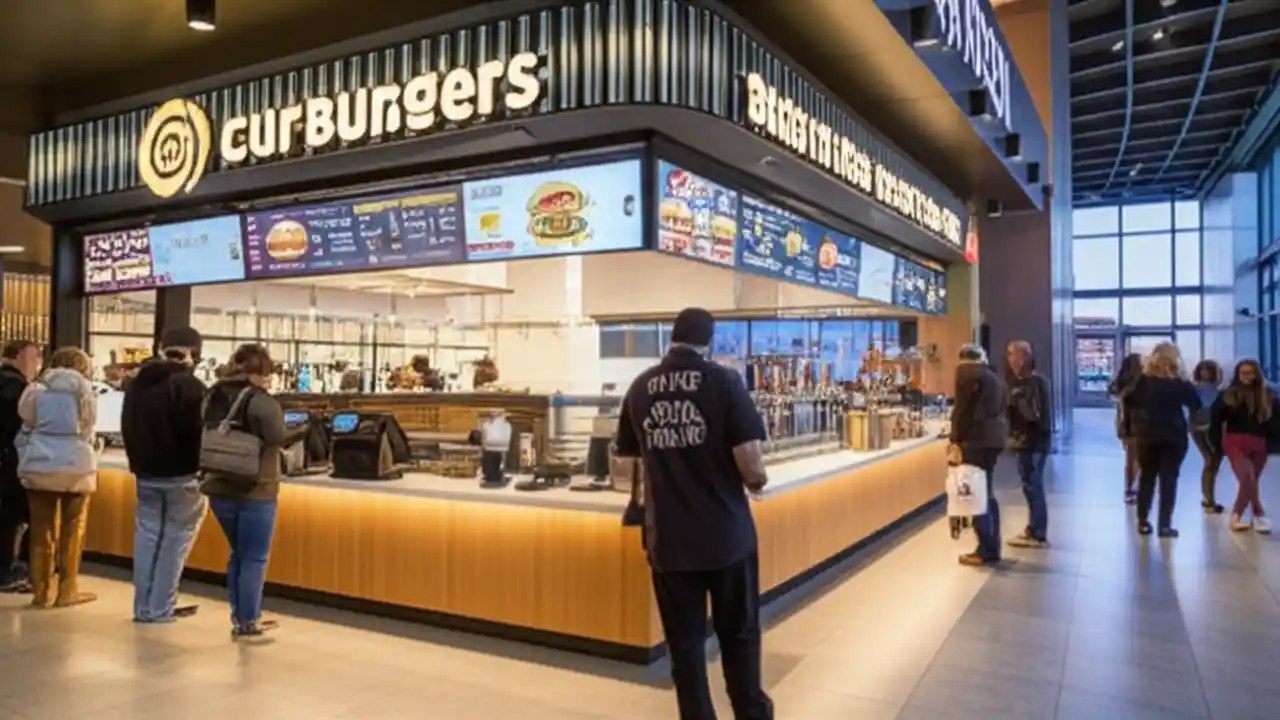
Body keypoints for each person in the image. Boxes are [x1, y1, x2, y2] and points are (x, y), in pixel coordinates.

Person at [614, 307, 773, 720]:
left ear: (672, 337)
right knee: (739, 636)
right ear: (710, 341)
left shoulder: (641, 387)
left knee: (684, 646)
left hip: (669, 540)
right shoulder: (724, 381)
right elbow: (749, 458)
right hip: (726, 536)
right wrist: (756, 483)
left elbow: (626, 470)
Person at [199, 344, 287, 637]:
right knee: (254, 557)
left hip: (218, 486)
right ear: (259, 371)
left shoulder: (212, 395)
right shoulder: (262, 402)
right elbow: (277, 437)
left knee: (239, 554)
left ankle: (241, 615)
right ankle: (248, 620)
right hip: (255, 488)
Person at [123, 326, 208, 623]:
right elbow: (197, 432)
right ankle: (161, 607)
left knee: (146, 539)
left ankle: (143, 607)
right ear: (191, 353)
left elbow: (128, 427)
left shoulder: (136, 384)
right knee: (175, 541)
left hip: (145, 473)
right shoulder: (190, 386)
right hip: (182, 474)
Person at [16, 347, 98, 608]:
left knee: (41, 530)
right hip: (76, 464)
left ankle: (41, 592)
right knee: (73, 530)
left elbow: (26, 418)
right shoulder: (84, 389)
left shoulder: (35, 389)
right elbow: (89, 423)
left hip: (39, 462)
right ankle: (68, 589)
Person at [1123, 343, 1200, 538]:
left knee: (1147, 478)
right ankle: (1164, 525)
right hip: (1173, 436)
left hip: (1147, 435)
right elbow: (1196, 404)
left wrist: (1140, 418)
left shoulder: (1143, 381)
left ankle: (1142, 522)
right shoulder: (1180, 383)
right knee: (1169, 480)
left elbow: (1128, 400)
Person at [951, 344, 1008, 566]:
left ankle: (985, 549)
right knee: (987, 492)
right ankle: (993, 545)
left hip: (974, 441)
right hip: (993, 440)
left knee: (975, 495)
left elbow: (962, 412)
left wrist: (955, 440)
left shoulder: (965, 374)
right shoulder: (993, 377)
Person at [1210, 360, 1276, 534]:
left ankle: (1255, 515)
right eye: (1243, 373)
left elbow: (1274, 422)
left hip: (1260, 443)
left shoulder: (1268, 395)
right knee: (1247, 477)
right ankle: (1244, 515)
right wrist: (1216, 444)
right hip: (1235, 442)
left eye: (1250, 372)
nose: (1247, 376)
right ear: (1238, 374)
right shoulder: (1229, 395)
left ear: (1256, 374)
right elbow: (1216, 419)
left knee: (1252, 480)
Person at [0, 340, 41, 592]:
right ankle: (9, 570)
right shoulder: (18, 389)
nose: (37, 363)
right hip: (12, 460)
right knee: (12, 516)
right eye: (33, 357)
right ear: (16, 357)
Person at [1005, 341, 1052, 548]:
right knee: (1034, 486)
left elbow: (1031, 416)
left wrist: (1016, 402)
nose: (1010, 361)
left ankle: (1037, 531)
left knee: (1033, 486)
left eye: (1012, 356)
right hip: (1037, 442)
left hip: (1029, 443)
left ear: (1022, 358)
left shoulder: (1025, 386)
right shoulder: (1040, 381)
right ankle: (1034, 528)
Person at [1190, 360, 1225, 514]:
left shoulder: (1220, 390)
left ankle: (1210, 498)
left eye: (1208, 370)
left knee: (1214, 463)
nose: (1205, 373)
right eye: (1202, 370)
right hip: (1199, 429)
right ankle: (1208, 499)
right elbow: (1191, 411)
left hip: (1216, 429)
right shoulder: (1194, 389)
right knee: (1209, 460)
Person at [1108, 353, 1143, 505]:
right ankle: (1135, 487)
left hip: (1124, 423)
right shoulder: (1141, 382)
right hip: (1138, 424)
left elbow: (1113, 392)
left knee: (1130, 457)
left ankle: (1130, 488)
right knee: (1138, 458)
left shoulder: (1121, 382)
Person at [478, 409, 512, 488]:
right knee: (496, 464)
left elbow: (484, 437)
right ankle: (495, 477)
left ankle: (494, 477)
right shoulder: (506, 425)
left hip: (493, 448)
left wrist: (483, 445)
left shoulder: (487, 424)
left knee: (494, 464)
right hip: (497, 448)